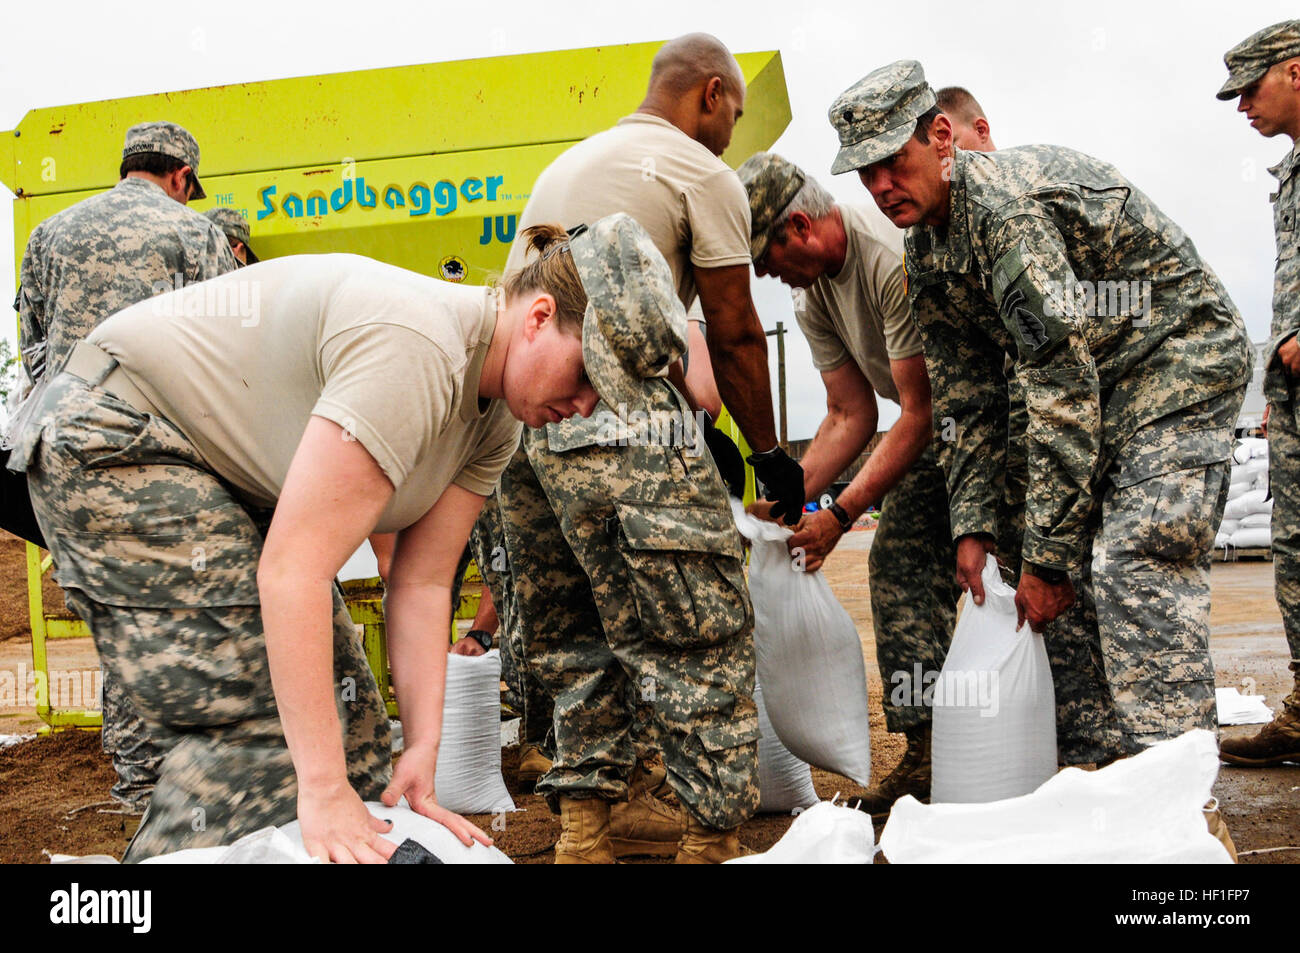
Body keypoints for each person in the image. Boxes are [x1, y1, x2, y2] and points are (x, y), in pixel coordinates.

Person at [9, 215, 677, 863]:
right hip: (117, 435)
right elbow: (292, 571)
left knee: (352, 730)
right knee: (256, 733)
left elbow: (419, 581)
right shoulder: (418, 347)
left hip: (214, 474)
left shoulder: (499, 416)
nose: (587, 404)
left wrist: (420, 750)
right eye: (588, 375)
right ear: (536, 318)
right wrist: (322, 791)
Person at [829, 60, 1252, 776]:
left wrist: (1047, 557)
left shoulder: (1004, 216)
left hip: (1175, 357)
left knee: (1132, 562)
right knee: (1041, 583)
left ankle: (1183, 809)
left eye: (891, 163)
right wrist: (974, 525)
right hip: (1098, 378)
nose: (879, 187)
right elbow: (965, 398)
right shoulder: (928, 247)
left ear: (941, 137)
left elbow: (1059, 385)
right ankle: (1092, 774)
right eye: (865, 173)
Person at [495, 33, 765, 863]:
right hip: (622, 418)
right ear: (710, 95)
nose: (729, 136)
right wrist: (762, 451)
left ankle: (585, 830)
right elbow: (734, 327)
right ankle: (710, 835)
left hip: (533, 428)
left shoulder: (567, 165)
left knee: (572, 625)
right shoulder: (702, 173)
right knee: (694, 626)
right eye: (733, 117)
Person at [10, 120, 236, 813]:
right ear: (182, 179)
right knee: (190, 610)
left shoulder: (48, 232)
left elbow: (35, 354)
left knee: (121, 617)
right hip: (161, 456)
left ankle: (140, 793)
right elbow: (229, 353)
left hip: (69, 457)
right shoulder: (195, 233)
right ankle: (200, 780)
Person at [738, 151, 959, 813]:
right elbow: (849, 412)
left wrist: (838, 510)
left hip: (989, 416)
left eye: (770, 260)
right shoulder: (815, 298)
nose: (772, 276)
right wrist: (785, 503)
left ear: (800, 227)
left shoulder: (888, 258)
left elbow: (918, 412)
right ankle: (929, 751)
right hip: (931, 421)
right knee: (899, 568)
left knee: (1007, 572)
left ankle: (1062, 739)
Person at [1217, 19, 1300, 766]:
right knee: (1296, 554)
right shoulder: (1292, 170)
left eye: (1251, 87)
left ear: (1296, 71)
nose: (1243, 105)